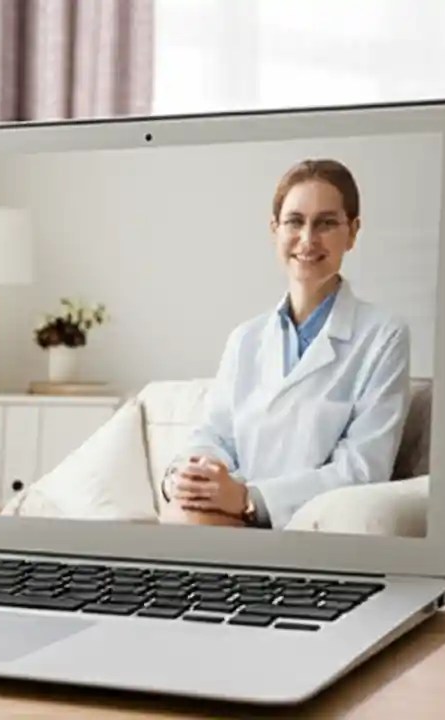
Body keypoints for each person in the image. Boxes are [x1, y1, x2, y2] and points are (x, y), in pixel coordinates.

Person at [159, 159, 411, 529]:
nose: (308, 239)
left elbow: (362, 469)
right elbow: (214, 434)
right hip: (229, 513)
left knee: (187, 526)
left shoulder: (384, 336)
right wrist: (191, 474)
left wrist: (249, 498)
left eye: (326, 223)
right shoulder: (246, 338)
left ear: (353, 232)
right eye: (294, 221)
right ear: (275, 229)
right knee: (184, 512)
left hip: (306, 524)